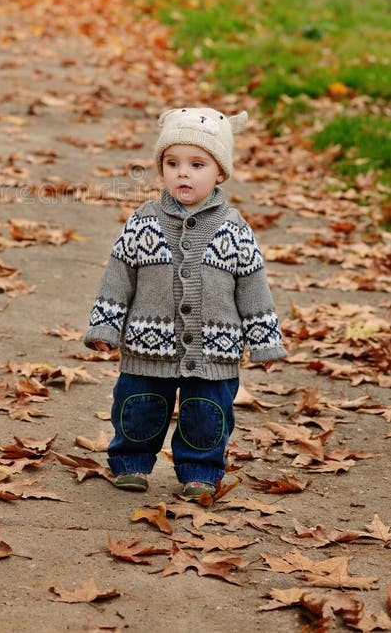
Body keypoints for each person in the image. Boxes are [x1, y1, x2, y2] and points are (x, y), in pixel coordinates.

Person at [84, 107, 287, 498]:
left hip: (215, 349)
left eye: (197, 164)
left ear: (220, 173)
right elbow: (118, 276)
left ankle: (200, 471)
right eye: (172, 163)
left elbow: (252, 286)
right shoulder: (143, 221)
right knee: (137, 407)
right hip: (148, 343)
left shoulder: (235, 229)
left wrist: (264, 339)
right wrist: (105, 325)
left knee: (206, 415)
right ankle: (131, 463)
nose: (183, 173)